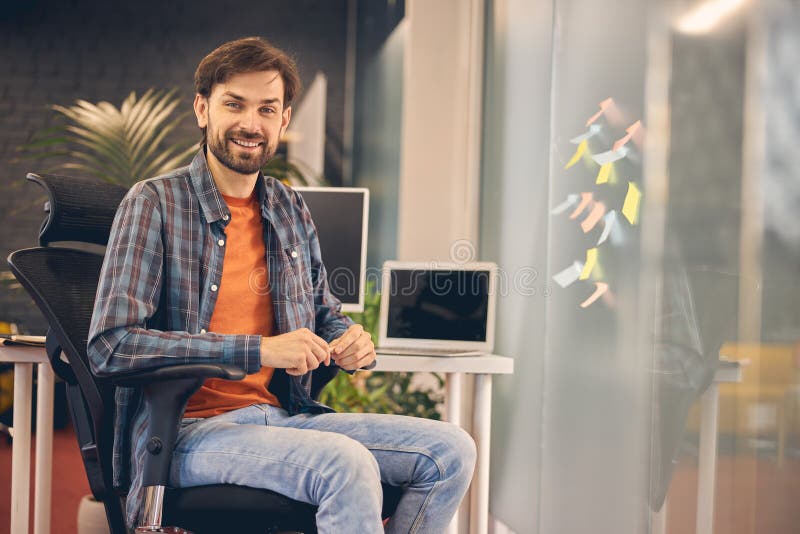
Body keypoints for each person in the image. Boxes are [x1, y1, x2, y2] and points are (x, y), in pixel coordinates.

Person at [87, 36, 475, 533]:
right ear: (202, 109)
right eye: (235, 105)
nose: (252, 123)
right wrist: (259, 351)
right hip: (186, 433)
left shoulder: (288, 208)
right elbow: (111, 346)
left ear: (283, 121)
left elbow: (323, 311)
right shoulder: (154, 204)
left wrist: (346, 338)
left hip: (285, 417)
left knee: (450, 451)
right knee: (345, 463)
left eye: (267, 109)